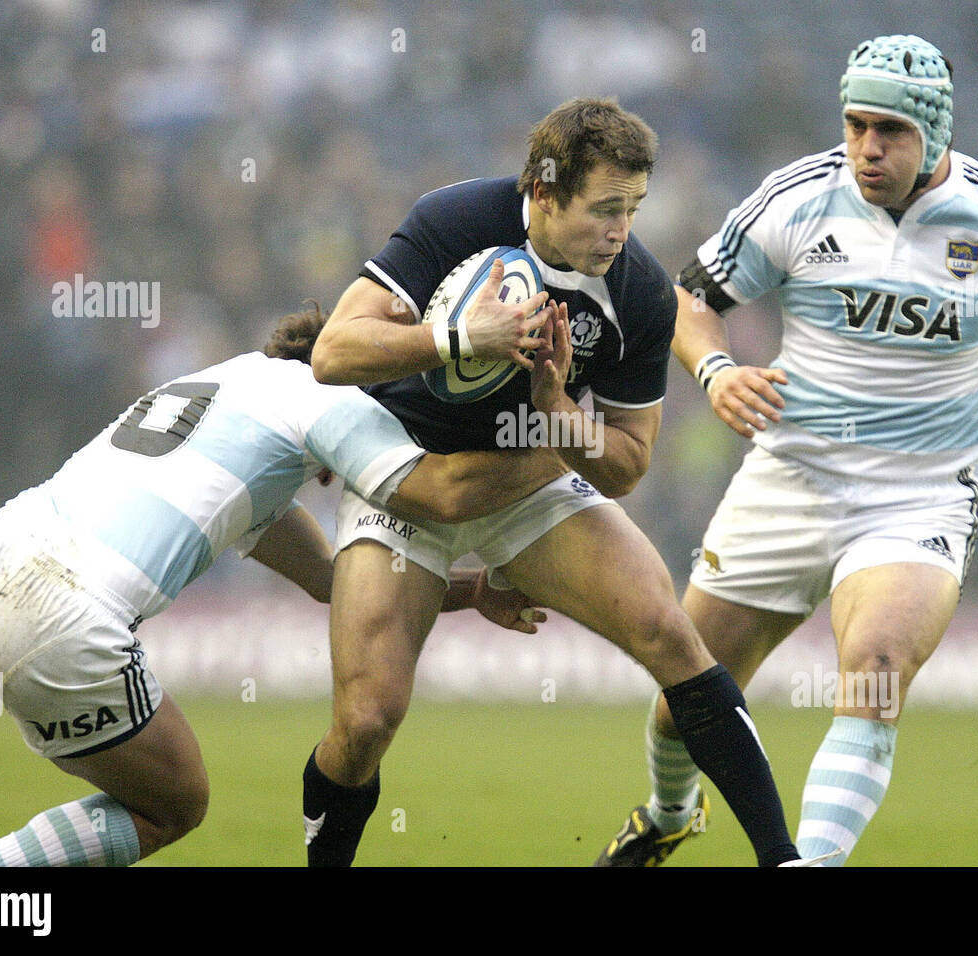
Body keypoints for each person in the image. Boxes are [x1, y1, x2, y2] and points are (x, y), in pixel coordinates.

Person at [595, 34, 978, 866]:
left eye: (890, 131)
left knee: (872, 672)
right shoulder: (800, 197)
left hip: (918, 496)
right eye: (854, 124)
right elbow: (692, 299)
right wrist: (718, 368)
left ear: (935, 134)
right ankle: (670, 813)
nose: (867, 148)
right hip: (790, 479)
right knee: (684, 696)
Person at [305, 97, 812, 867]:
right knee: (367, 721)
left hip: (527, 487)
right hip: (407, 483)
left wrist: (555, 412)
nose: (621, 231)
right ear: (543, 193)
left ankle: (784, 860)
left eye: (634, 209)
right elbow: (334, 353)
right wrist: (457, 338)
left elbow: (630, 461)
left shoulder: (638, 290)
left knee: (671, 635)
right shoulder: (459, 220)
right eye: (605, 208)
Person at [0, 304, 563, 867]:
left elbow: (334, 580)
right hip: (59, 611)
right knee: (174, 805)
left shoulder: (224, 387)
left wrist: (471, 592)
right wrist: (557, 434)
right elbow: (440, 491)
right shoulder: (327, 395)